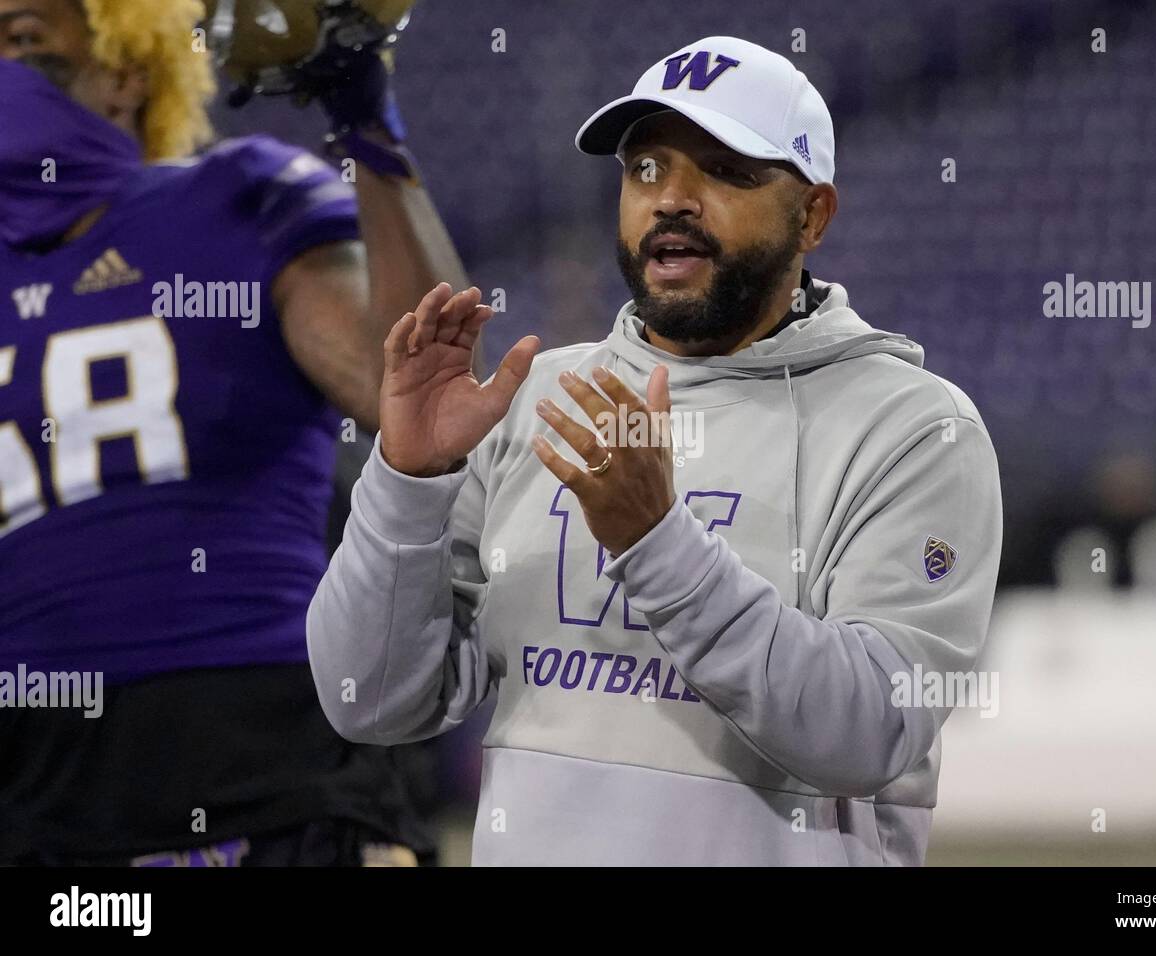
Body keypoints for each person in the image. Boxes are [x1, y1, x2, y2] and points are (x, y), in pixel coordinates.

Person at [308, 36, 1003, 865]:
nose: (672, 198)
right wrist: (406, 479)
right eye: (645, 168)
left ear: (812, 215)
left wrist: (656, 542)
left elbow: (871, 729)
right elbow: (371, 700)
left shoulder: (914, 429)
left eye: (724, 169)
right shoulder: (537, 398)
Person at [0, 0, 464, 865]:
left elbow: (412, 392)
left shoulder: (231, 195)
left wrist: (364, 125)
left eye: (30, 42)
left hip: (264, 749)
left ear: (130, 71)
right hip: (38, 792)